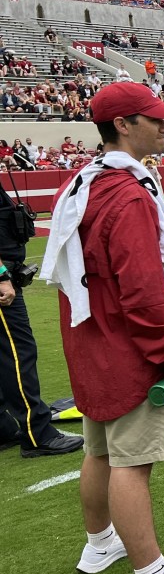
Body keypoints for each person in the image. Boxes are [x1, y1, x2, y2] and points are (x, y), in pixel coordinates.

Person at [43, 81, 164, 574]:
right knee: (132, 462)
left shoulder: (83, 182)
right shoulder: (125, 193)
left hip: (90, 338)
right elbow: (143, 290)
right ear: (123, 125)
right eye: (155, 118)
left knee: (99, 450)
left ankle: (101, 544)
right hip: (125, 346)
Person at [0, 175, 85, 459]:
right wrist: (0, 275)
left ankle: (4, 427)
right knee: (17, 354)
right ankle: (37, 433)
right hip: (3, 278)